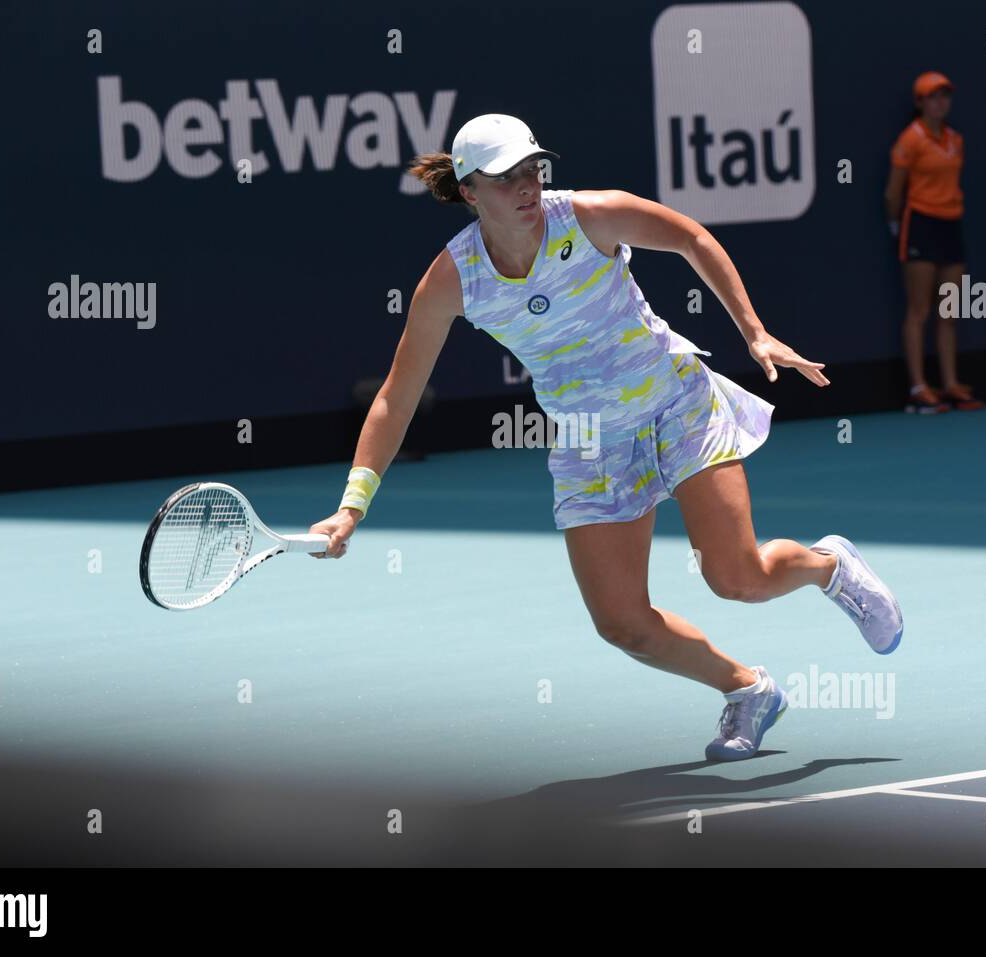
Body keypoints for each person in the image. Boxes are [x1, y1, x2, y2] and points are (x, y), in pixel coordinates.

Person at [309, 114, 903, 761]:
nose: (527, 185)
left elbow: (691, 237)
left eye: (531, 169)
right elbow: (395, 397)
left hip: (674, 402)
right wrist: (352, 505)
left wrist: (754, 331)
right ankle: (748, 689)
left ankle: (829, 567)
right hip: (589, 441)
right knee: (622, 624)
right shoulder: (453, 279)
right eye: (505, 178)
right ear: (470, 191)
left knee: (737, 577)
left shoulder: (589, 216)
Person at [885, 72, 984, 413]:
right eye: (932, 97)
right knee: (919, 310)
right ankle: (918, 387)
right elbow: (893, 192)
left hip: (950, 225)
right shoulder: (910, 139)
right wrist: (897, 225)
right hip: (920, 226)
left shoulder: (956, 140)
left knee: (949, 310)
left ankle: (950, 383)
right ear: (920, 103)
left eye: (944, 96)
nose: (940, 103)